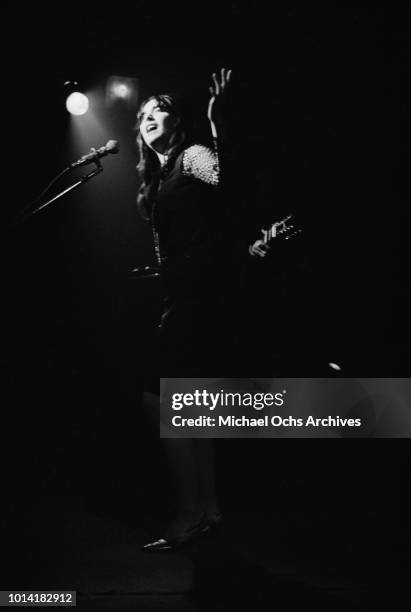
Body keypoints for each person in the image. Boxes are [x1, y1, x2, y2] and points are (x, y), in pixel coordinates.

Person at [135, 69, 232, 551]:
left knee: (161, 398)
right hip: (187, 293)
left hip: (196, 297)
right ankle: (207, 509)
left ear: (179, 121)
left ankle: (190, 511)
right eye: (144, 114)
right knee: (192, 406)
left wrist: (219, 123)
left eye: (160, 110)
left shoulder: (191, 155)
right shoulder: (164, 172)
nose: (150, 116)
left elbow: (225, 178)